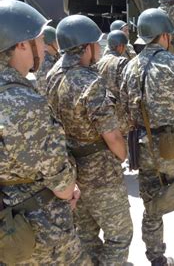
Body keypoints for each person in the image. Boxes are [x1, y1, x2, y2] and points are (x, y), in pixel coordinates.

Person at [0, 0, 90, 265]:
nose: (44, 46)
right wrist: (68, 190)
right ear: (21, 45)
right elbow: (56, 175)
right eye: (39, 40)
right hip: (39, 225)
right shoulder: (20, 100)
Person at [120, 8, 174, 266]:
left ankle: (156, 259)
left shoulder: (129, 67)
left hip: (145, 149)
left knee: (152, 206)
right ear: (165, 35)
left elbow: (126, 114)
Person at [46, 15, 133, 264]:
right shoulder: (89, 81)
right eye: (96, 44)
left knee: (86, 233)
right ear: (86, 47)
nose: (99, 49)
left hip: (71, 168)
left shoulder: (53, 75)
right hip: (100, 171)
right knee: (120, 234)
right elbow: (113, 135)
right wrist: (123, 155)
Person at [96, 30, 130, 135]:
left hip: (105, 115)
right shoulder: (122, 62)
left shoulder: (99, 62)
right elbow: (127, 91)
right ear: (120, 46)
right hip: (120, 115)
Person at [35, 25, 60, 96]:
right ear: (48, 44)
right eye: (55, 42)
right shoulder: (46, 63)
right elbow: (44, 91)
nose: (58, 45)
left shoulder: (52, 57)